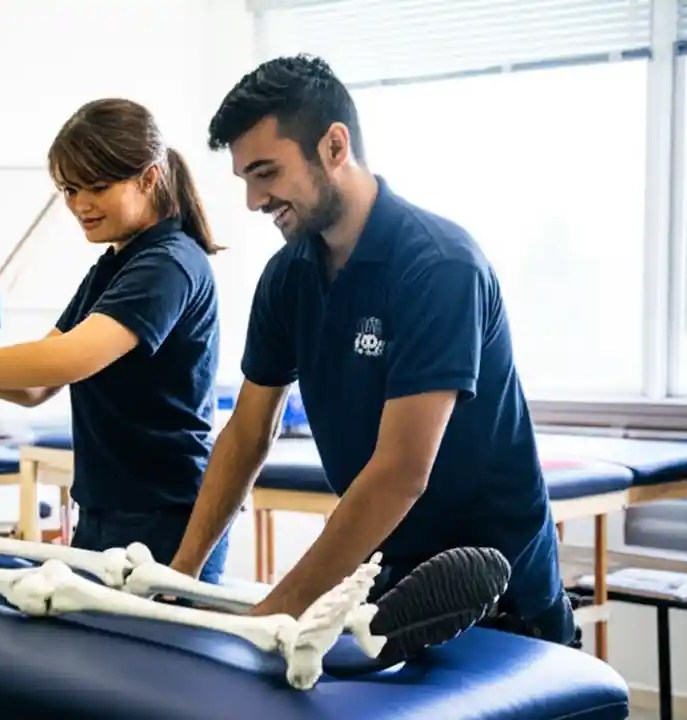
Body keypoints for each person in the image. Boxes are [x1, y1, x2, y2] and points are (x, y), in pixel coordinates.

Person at [168, 54, 574, 659]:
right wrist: (180, 578)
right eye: (245, 179)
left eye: (266, 172)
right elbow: (247, 434)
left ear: (335, 146)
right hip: (391, 579)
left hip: (499, 596)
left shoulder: (438, 266)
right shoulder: (288, 277)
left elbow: (400, 473)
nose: (254, 200)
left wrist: (276, 611)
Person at [0, 98, 230, 583]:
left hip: (167, 517)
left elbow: (67, 360)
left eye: (97, 187)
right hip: (104, 510)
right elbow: (34, 388)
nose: (80, 204)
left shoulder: (168, 264)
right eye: (69, 189)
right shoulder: (113, 268)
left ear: (149, 178)